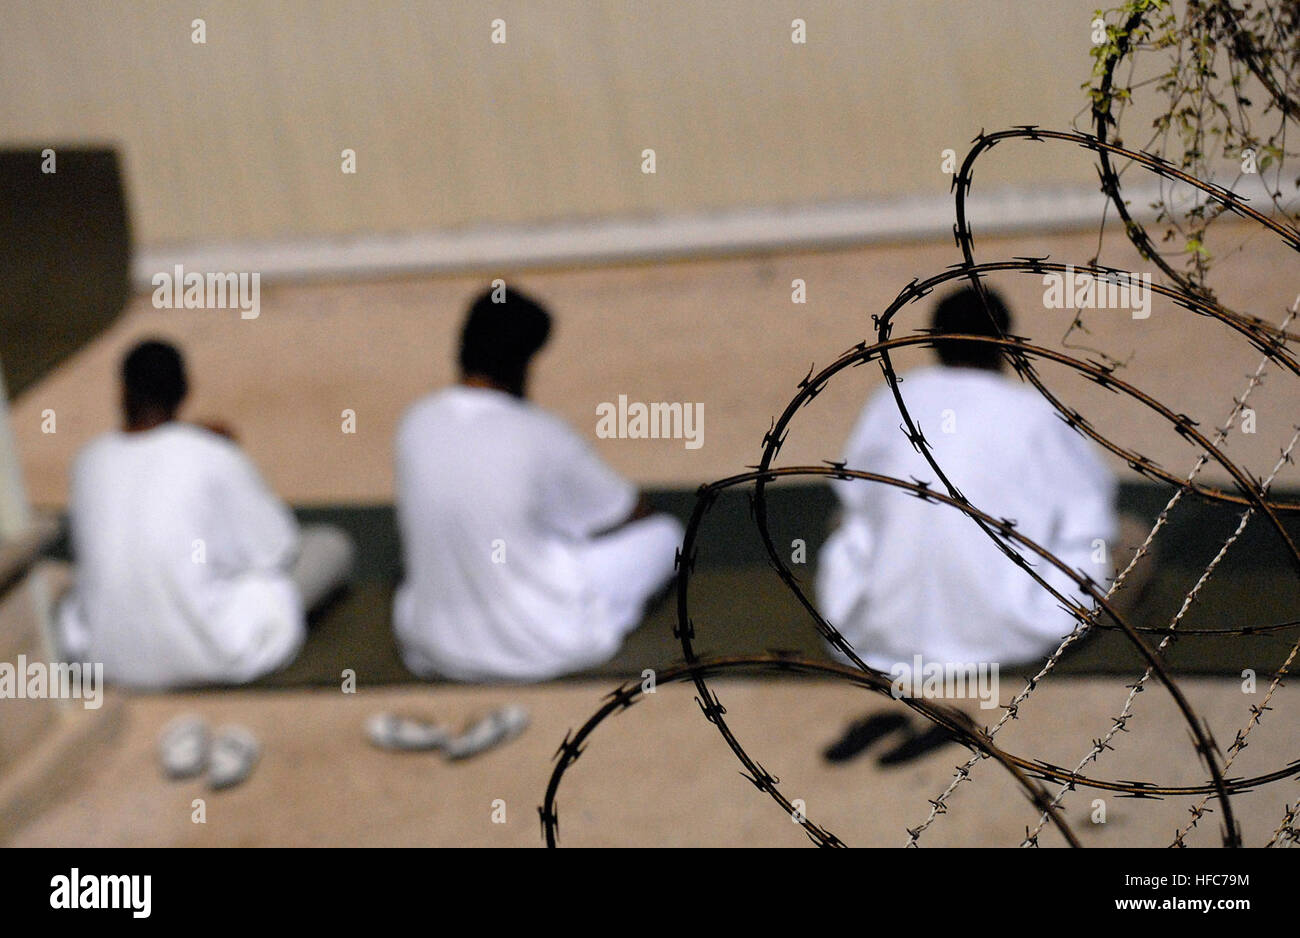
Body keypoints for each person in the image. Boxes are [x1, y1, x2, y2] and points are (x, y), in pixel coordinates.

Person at [817, 287, 1118, 763]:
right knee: (1130, 540)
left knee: (856, 523)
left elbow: (855, 496)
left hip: (878, 634)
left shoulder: (892, 399)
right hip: (1013, 632)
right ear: (1007, 343)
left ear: (934, 341)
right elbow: (1091, 515)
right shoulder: (1035, 412)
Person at [393, 285, 684, 682]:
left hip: (434, 644)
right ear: (523, 362)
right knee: (665, 535)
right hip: (539, 641)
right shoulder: (539, 432)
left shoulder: (416, 422)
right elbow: (627, 511)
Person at [55, 339, 354, 688]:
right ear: (185, 389)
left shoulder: (89, 461)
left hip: (108, 659)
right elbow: (276, 550)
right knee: (330, 546)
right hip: (213, 652)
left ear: (122, 392)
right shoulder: (212, 455)